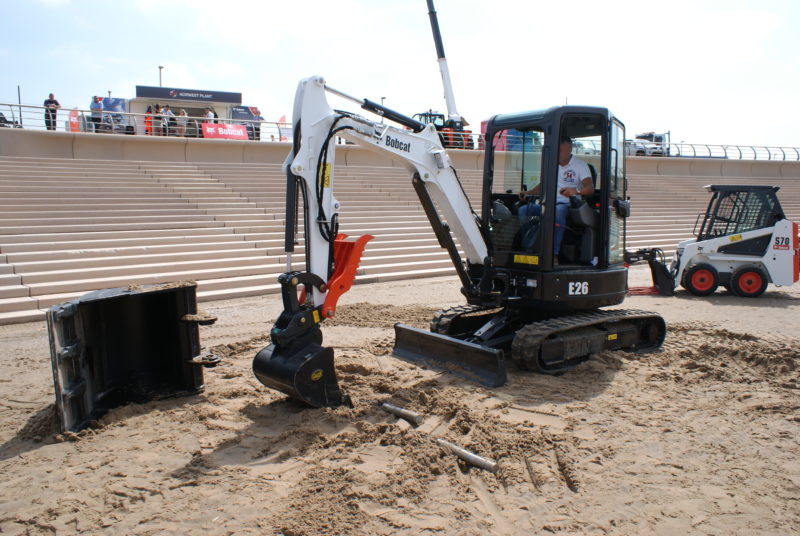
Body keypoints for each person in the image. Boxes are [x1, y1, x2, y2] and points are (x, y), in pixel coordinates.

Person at [517, 136, 593, 261]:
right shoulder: (552, 165)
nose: (557, 154)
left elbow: (589, 187)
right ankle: (529, 246)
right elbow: (543, 185)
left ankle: (553, 254)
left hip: (568, 205)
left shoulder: (580, 166)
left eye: (560, 151)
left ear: (569, 149)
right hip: (549, 204)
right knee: (523, 210)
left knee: (557, 212)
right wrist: (528, 193)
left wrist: (575, 191)